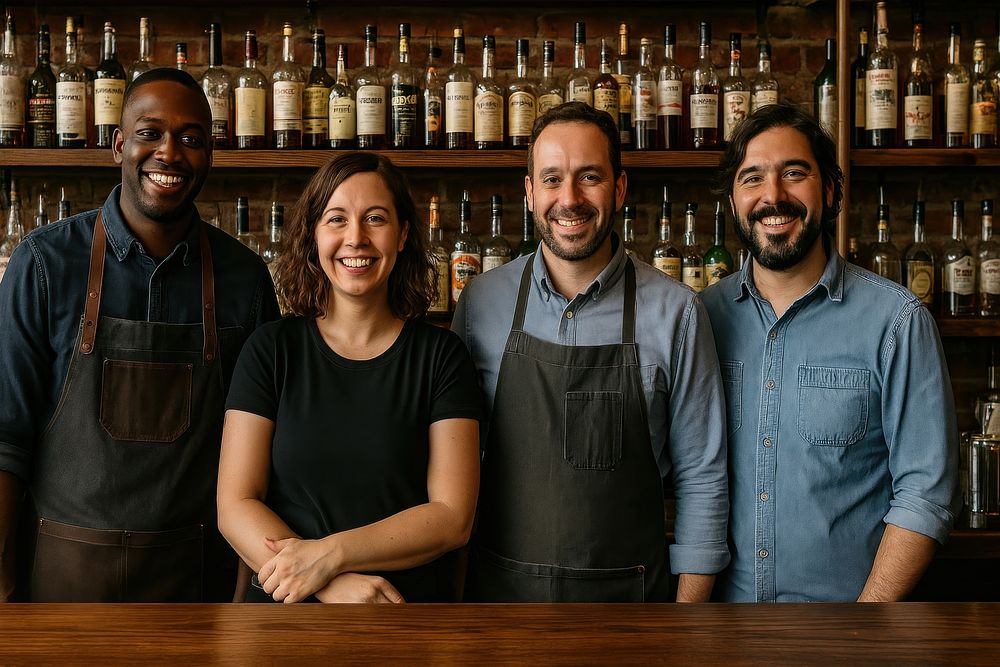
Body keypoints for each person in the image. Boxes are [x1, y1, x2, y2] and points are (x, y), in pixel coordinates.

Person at [0, 68, 280, 602]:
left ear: (211, 154)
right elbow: (5, 440)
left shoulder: (244, 280)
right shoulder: (43, 264)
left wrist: (250, 610)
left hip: (200, 591)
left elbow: (264, 462)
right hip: (61, 591)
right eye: (150, 133)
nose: (169, 153)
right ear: (118, 145)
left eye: (191, 139)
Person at [452, 102, 729, 602]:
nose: (570, 199)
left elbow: (703, 480)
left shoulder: (677, 313)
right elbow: (449, 471)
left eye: (590, 177)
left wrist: (686, 627)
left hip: (632, 611)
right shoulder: (480, 304)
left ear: (619, 189)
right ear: (530, 193)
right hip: (499, 605)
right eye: (552, 179)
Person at [701, 103, 960, 602]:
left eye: (794, 173)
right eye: (752, 178)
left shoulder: (897, 322)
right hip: (723, 633)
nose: (772, 196)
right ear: (733, 203)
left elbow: (924, 495)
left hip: (849, 632)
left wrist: (862, 631)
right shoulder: (701, 320)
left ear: (832, 191)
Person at [217, 152, 481, 604]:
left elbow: (452, 516)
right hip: (284, 617)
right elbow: (235, 504)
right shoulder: (271, 350)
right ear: (314, 237)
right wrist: (329, 585)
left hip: (402, 618)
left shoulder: (442, 357)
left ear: (401, 236)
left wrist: (330, 556)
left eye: (375, 219)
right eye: (336, 219)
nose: (355, 238)